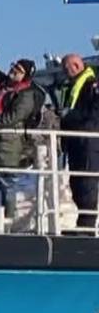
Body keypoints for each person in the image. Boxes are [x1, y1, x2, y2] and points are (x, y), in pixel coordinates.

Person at [0, 50, 45, 219]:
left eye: (18, 69)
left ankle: (7, 221)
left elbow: (14, 116)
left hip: (7, 145)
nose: (13, 70)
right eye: (13, 66)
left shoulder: (26, 94)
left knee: (7, 185)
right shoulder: (1, 82)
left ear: (25, 75)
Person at [59, 53, 99, 227]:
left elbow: (94, 114)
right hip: (75, 143)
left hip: (87, 143)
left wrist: (70, 114)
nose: (65, 72)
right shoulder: (73, 87)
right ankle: (83, 221)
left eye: (66, 68)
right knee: (77, 184)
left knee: (86, 184)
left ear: (76, 66)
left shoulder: (92, 86)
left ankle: (87, 225)